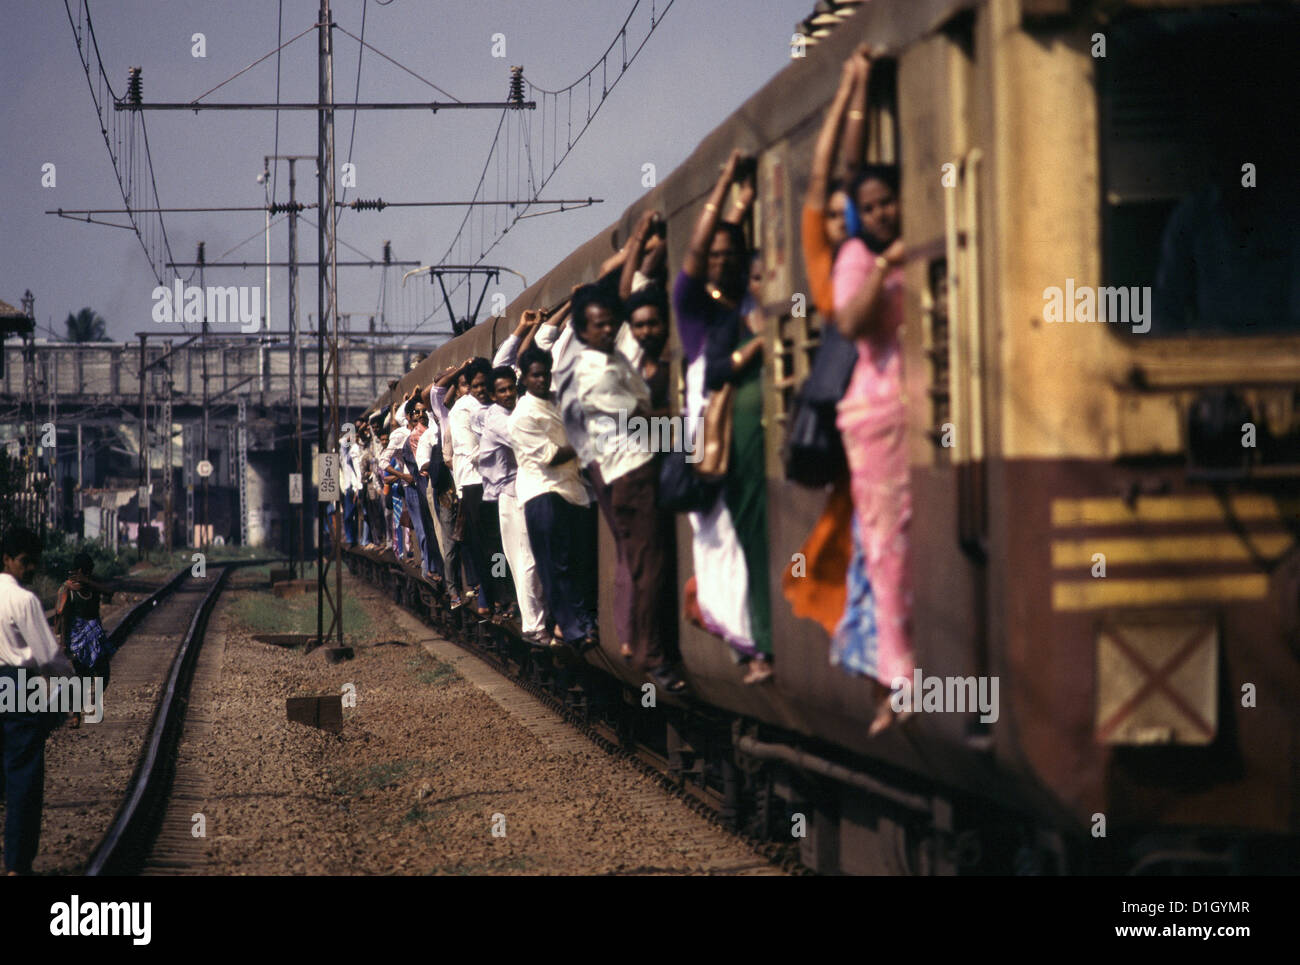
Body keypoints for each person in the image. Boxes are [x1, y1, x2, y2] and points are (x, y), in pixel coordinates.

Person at [672, 148, 772, 683]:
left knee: (740, 539)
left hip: (743, 428)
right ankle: (742, 645)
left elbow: (725, 246)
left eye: (729, 254)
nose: (721, 261)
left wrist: (747, 200)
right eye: (714, 255)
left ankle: (750, 639)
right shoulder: (693, 304)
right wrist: (727, 181)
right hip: (710, 433)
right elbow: (700, 248)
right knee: (719, 540)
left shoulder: (741, 300)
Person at [784, 47, 871, 638]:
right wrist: (846, 90)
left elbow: (853, 168)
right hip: (851, 401)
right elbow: (823, 179)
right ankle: (854, 630)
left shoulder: (865, 249)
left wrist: (864, 88)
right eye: (834, 218)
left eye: (849, 216)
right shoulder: (823, 259)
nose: (840, 223)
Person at [571, 285, 686, 693]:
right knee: (648, 564)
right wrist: (696, 428)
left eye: (609, 323)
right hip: (631, 473)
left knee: (644, 562)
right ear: (583, 331)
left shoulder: (614, 359)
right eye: (597, 325)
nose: (606, 329)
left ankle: (641, 646)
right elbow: (640, 419)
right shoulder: (597, 370)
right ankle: (650, 655)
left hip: (636, 469)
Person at [833, 159, 914, 735]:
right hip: (879, 416)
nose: (885, 212)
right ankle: (897, 682)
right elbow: (853, 324)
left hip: (919, 408)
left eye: (892, 200)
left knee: (906, 548)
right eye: (875, 205)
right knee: (885, 548)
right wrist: (887, 262)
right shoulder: (858, 258)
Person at [509, 346, 599, 651]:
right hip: (542, 492)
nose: (542, 380)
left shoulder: (557, 401)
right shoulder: (523, 415)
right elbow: (550, 456)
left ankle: (580, 623)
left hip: (573, 491)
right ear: (524, 377)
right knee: (556, 565)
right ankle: (570, 630)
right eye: (535, 375)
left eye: (546, 374)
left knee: (579, 561)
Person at [0, 527, 76, 875]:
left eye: (34, 562)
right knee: (23, 778)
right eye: (25, 562)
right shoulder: (24, 600)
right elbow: (48, 657)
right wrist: (73, 692)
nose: (30, 568)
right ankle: (17, 866)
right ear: (8, 560)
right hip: (18, 685)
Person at [479, 365, 544, 637]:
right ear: (493, 396)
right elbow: (525, 439)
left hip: (521, 491)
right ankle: (533, 624)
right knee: (523, 560)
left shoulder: (512, 412)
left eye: (511, 389)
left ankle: (536, 619)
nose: (508, 394)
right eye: (502, 391)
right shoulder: (497, 419)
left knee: (530, 557)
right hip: (510, 496)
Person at [449, 358, 494, 615]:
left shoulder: (493, 404)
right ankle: (487, 596)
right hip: (474, 483)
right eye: (473, 384)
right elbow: (470, 450)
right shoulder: (463, 409)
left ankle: (496, 592)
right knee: (482, 546)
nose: (478, 389)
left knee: (495, 546)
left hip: (494, 483)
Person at [55, 552, 115, 727]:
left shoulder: (92, 586)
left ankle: (86, 703)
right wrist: (63, 643)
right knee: (81, 676)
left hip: (94, 634)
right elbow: (63, 618)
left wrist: (87, 581)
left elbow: (110, 591)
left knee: (103, 673)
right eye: (88, 571)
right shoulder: (66, 590)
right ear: (82, 570)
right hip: (77, 637)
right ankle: (75, 714)